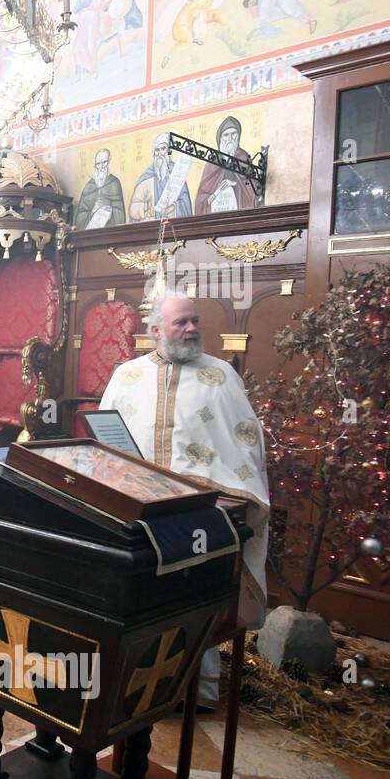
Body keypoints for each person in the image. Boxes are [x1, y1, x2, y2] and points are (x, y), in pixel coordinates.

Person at [99, 291, 270, 709]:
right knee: (138, 601)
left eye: (195, 321)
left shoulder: (221, 376)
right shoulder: (127, 376)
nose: (192, 329)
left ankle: (194, 693)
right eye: (181, 323)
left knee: (194, 601)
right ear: (156, 329)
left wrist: (227, 495)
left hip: (199, 516)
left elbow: (246, 446)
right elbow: (103, 442)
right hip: (137, 514)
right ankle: (135, 687)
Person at [196, 116, 259, 214]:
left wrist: (234, 183)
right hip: (217, 213)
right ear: (220, 139)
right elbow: (201, 197)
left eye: (233, 134)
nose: (230, 139)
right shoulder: (212, 162)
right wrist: (211, 197)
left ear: (238, 136)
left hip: (240, 213)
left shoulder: (243, 157)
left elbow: (252, 186)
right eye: (225, 135)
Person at [74, 148, 127, 229]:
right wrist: (93, 211)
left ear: (109, 162)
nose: (101, 167)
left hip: (109, 231)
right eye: (98, 164)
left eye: (104, 162)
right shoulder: (89, 186)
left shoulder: (114, 183)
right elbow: (79, 219)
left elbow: (120, 214)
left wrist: (108, 213)